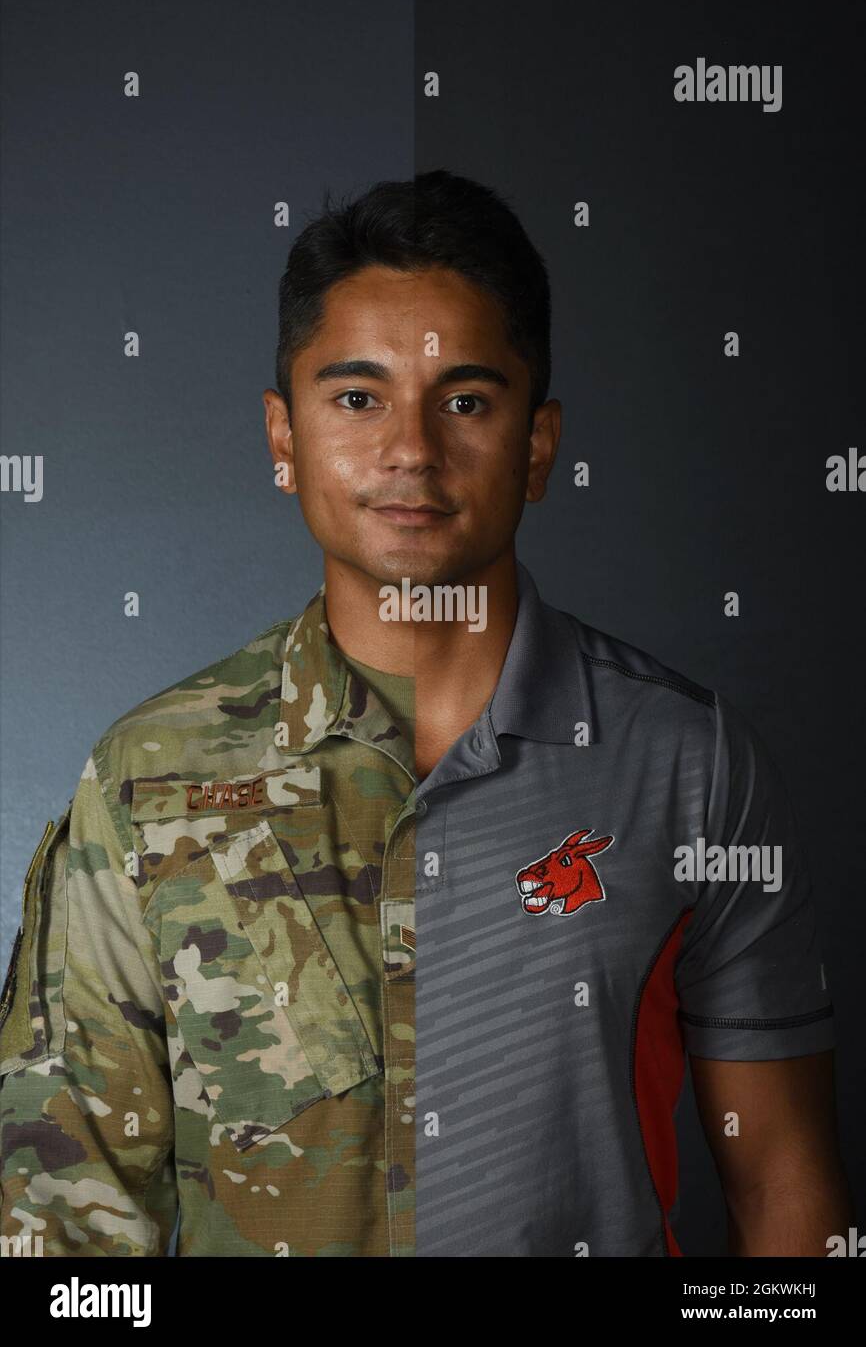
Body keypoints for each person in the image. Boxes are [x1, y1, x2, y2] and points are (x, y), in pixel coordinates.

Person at [0, 170, 852, 1257]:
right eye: (357, 398)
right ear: (282, 436)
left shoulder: (689, 764)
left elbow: (788, 1198)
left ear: (537, 444)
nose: (411, 449)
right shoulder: (144, 777)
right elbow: (63, 1232)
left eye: (465, 400)